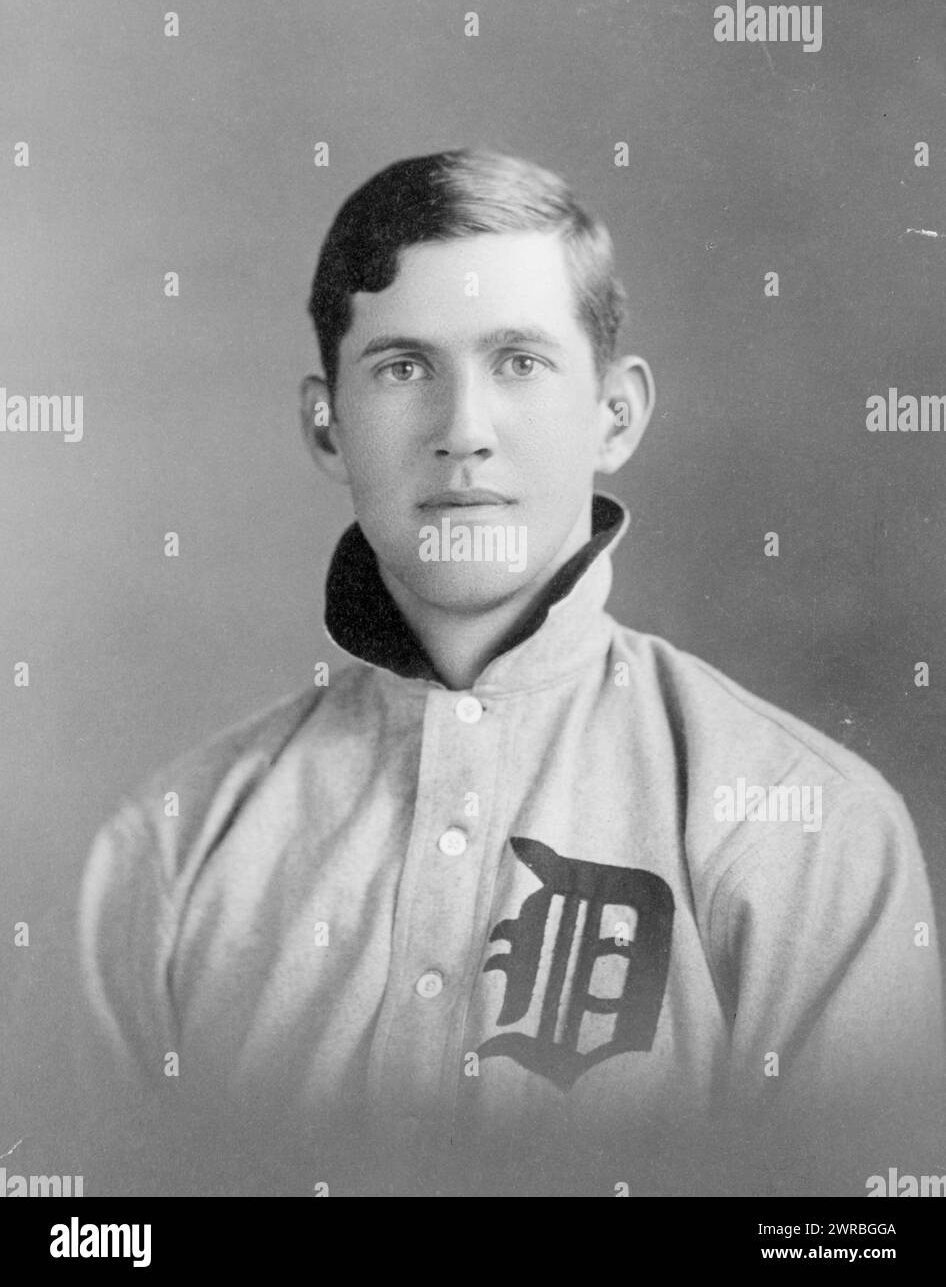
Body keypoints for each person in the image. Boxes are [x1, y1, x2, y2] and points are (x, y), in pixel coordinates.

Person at [76, 148, 944, 1197]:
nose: (464, 433)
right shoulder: (169, 855)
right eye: (404, 368)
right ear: (325, 424)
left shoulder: (809, 833)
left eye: (519, 362)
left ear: (614, 414)